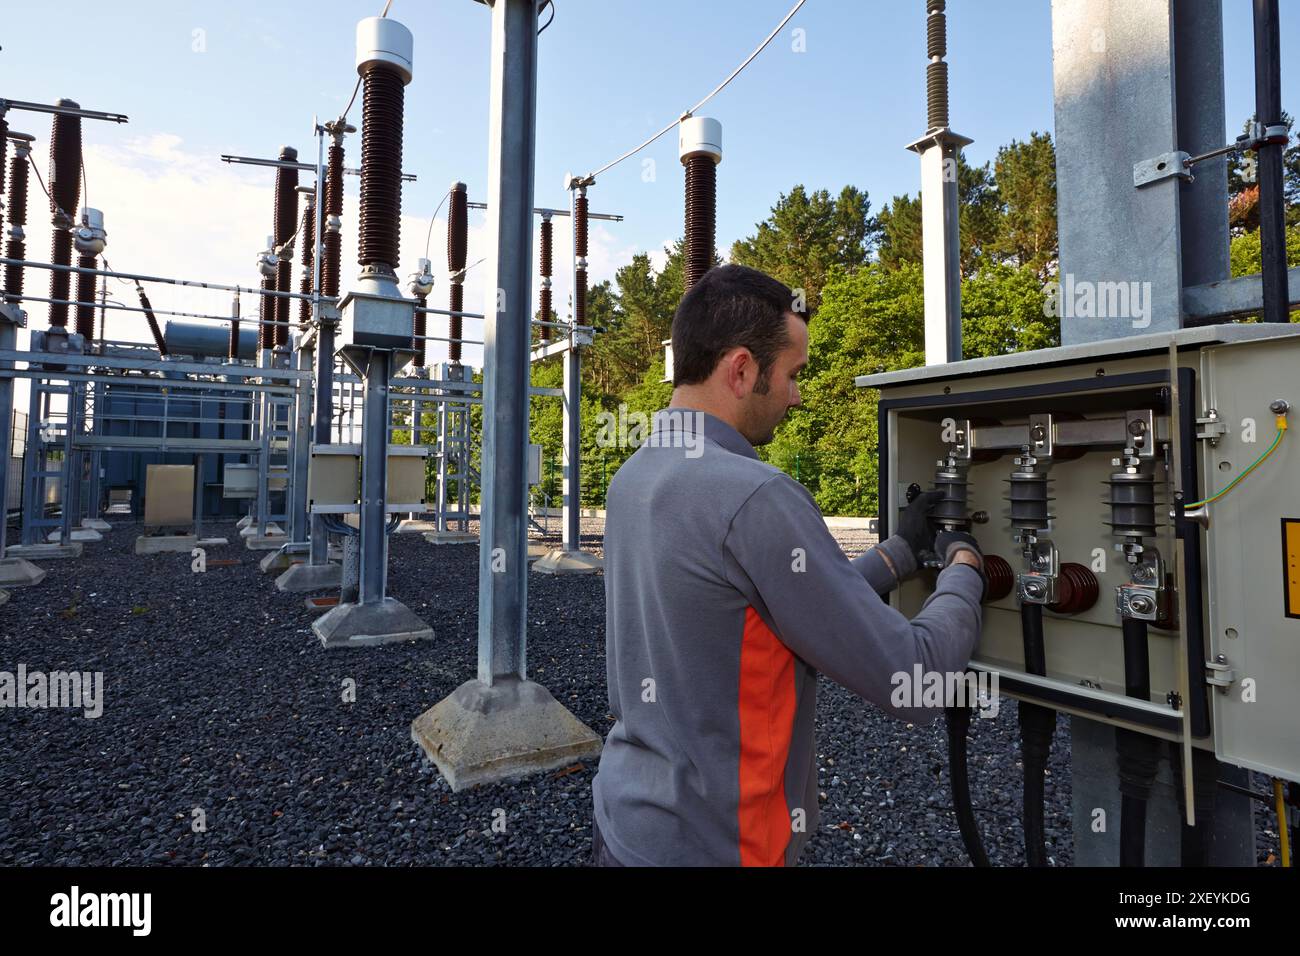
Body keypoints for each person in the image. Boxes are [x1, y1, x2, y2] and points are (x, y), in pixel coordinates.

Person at [590, 264, 986, 867]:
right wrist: (966, 567)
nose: (798, 395)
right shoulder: (754, 494)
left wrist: (897, 555)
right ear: (743, 369)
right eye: (793, 374)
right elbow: (915, 678)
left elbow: (778, 610)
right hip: (723, 847)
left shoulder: (635, 476)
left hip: (626, 827)